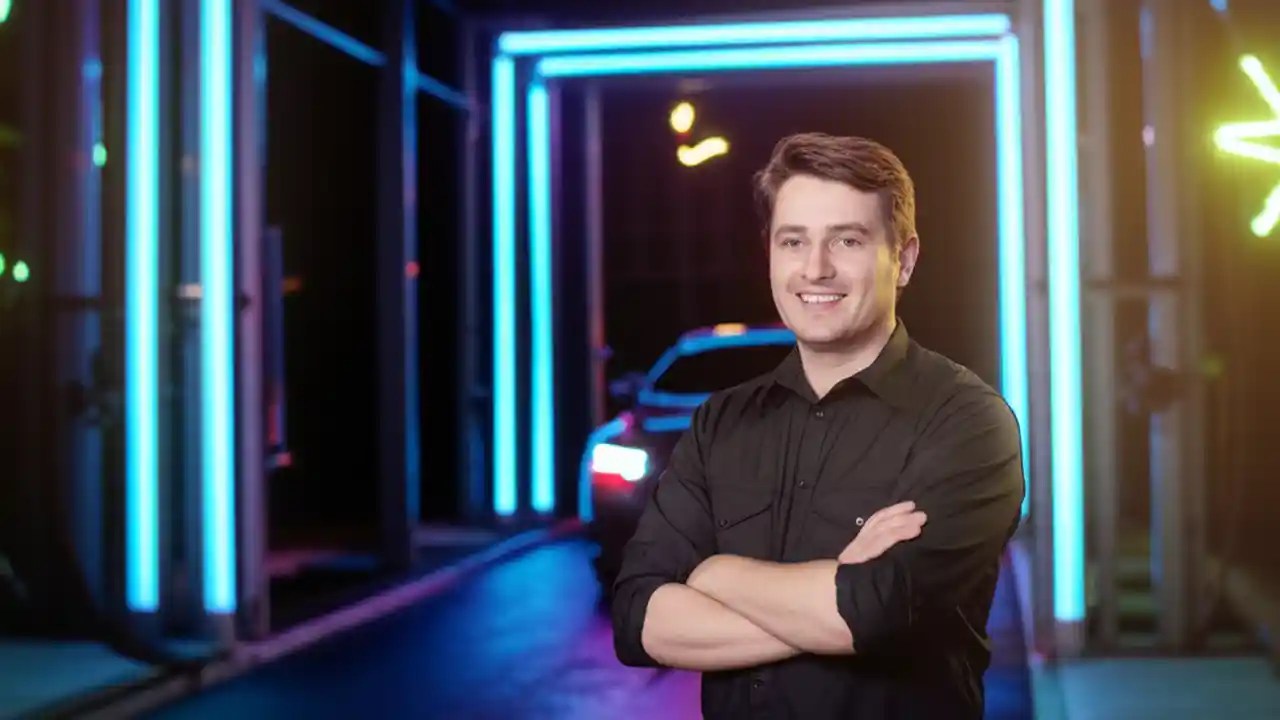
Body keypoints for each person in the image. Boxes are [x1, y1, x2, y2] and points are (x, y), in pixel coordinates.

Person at [610, 132, 1025, 719]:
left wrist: (713, 572)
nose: (815, 268)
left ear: (902, 260)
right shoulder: (720, 423)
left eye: (847, 240)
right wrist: (830, 601)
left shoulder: (967, 423)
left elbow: (872, 614)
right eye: (793, 241)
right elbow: (637, 619)